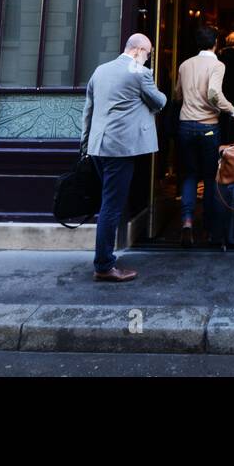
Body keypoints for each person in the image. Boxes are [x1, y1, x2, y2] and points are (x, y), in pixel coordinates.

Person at [80, 32, 166, 281]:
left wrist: (85, 143)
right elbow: (159, 101)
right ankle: (104, 265)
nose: (148, 59)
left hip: (98, 145)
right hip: (120, 148)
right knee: (112, 206)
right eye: (148, 54)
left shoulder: (100, 70)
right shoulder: (139, 72)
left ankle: (104, 259)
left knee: (107, 203)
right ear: (138, 50)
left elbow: (88, 110)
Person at [173, 26, 234, 246]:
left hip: (185, 125)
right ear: (215, 43)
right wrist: (232, 110)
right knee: (211, 177)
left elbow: (177, 94)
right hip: (208, 126)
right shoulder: (217, 64)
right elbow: (214, 93)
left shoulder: (184, 65)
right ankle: (210, 228)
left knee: (190, 175)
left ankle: (187, 221)